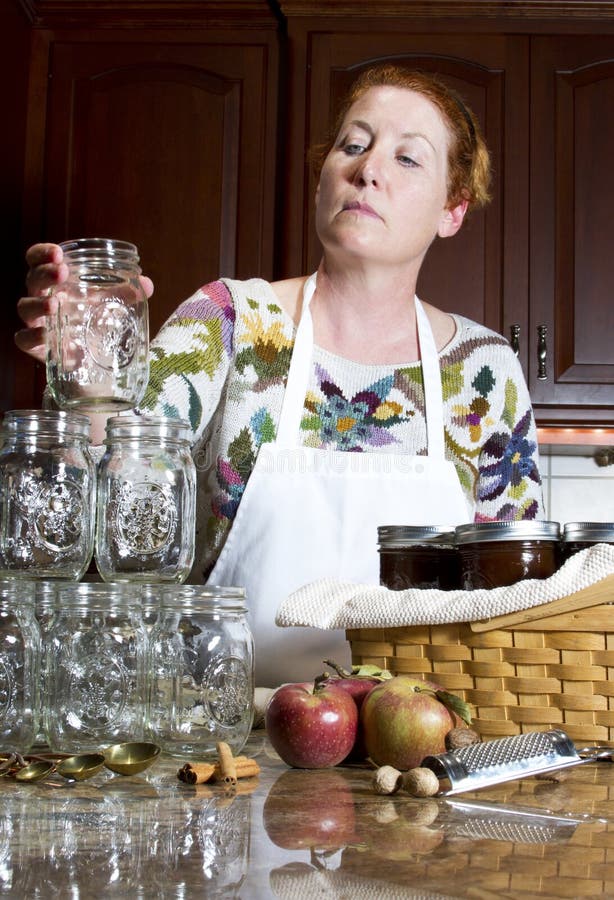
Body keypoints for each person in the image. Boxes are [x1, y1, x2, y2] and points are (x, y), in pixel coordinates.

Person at [16, 64, 545, 687]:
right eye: (353, 145)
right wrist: (90, 383)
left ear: (452, 211)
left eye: (408, 159)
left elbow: (522, 597)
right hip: (214, 741)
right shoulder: (228, 321)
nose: (366, 169)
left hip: (419, 742)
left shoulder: (486, 372)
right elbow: (121, 505)